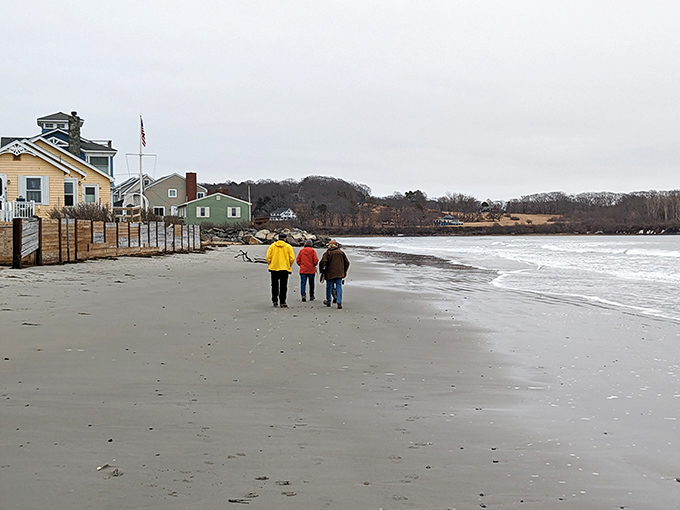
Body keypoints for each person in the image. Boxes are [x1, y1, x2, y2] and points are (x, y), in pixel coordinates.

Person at [266, 232, 295, 308]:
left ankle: (274, 300)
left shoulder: (272, 246)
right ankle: (282, 301)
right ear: (285, 239)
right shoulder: (288, 247)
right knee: (283, 286)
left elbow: (268, 257)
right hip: (284, 269)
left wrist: (271, 264)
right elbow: (292, 258)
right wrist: (289, 265)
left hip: (274, 268)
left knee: (274, 285)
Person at [319, 239, 350, 309]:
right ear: (336, 245)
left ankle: (328, 301)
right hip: (339, 273)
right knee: (339, 287)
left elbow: (323, 262)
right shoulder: (341, 252)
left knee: (329, 287)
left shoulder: (327, 253)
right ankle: (339, 302)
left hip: (330, 273)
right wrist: (344, 271)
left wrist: (322, 271)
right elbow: (347, 263)